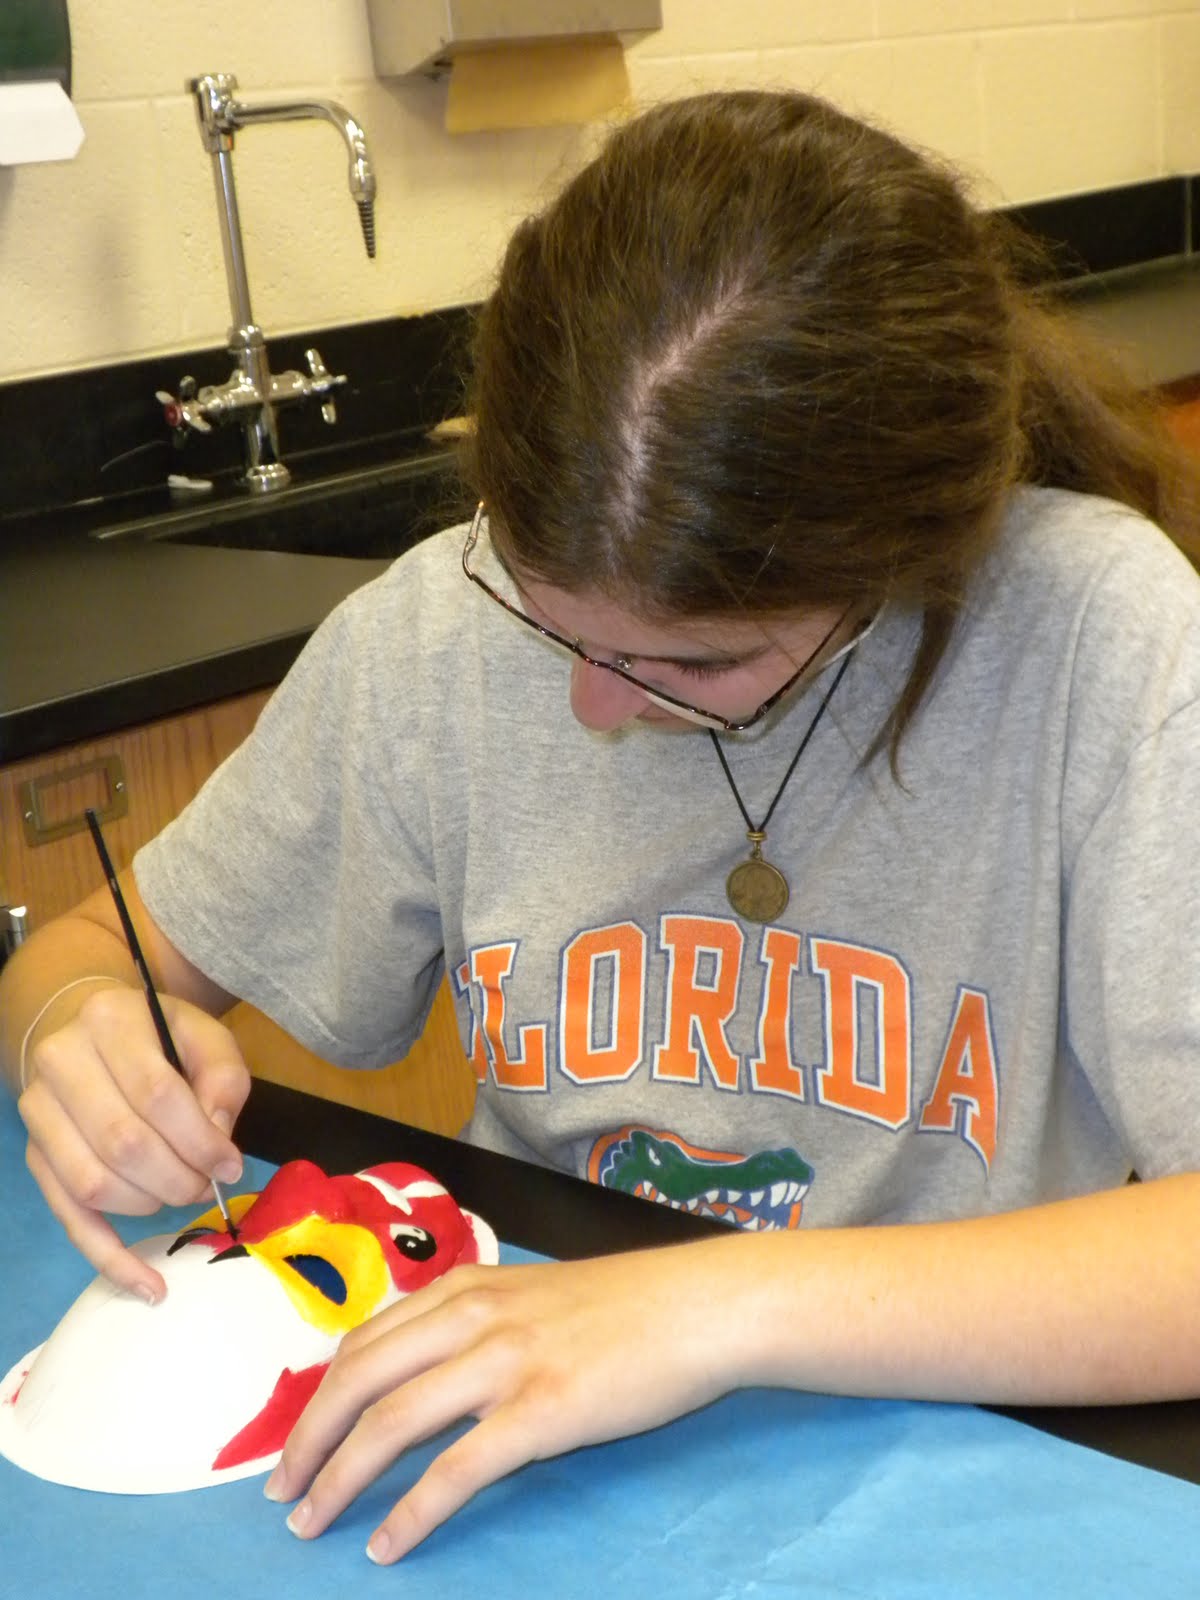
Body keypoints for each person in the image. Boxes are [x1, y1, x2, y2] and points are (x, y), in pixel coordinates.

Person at [4, 89, 1200, 1564]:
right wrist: (75, 1024)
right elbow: (87, 952)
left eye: (696, 666)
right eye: (539, 605)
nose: (586, 708)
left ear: (901, 560)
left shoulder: (1101, 640)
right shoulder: (432, 639)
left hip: (940, 1442)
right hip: (512, 1439)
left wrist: (710, 1307)